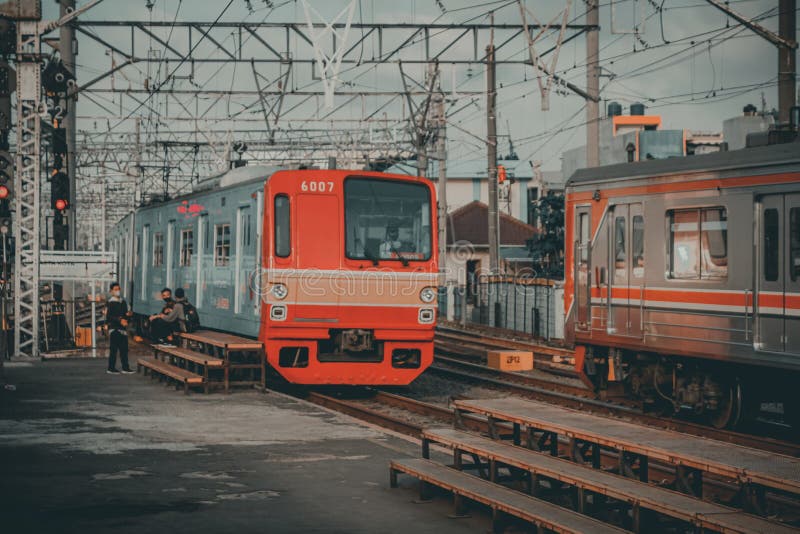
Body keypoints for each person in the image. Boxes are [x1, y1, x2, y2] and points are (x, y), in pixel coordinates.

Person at [106, 282, 134, 374]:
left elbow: (125, 314)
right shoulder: (110, 302)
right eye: (115, 289)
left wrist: (128, 316)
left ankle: (125, 367)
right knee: (114, 349)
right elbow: (109, 316)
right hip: (114, 328)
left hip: (122, 329)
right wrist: (119, 319)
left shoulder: (123, 302)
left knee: (124, 349)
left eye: (118, 289)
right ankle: (111, 368)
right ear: (111, 291)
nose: (118, 291)